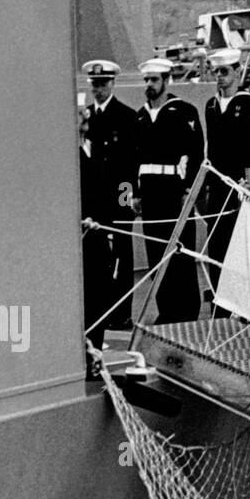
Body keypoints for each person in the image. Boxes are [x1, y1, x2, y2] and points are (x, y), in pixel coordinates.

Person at [134, 57, 204, 323]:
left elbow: (196, 154)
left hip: (175, 192)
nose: (149, 85)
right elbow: (130, 161)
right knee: (156, 253)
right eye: (146, 80)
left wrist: (190, 191)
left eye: (154, 80)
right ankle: (166, 310)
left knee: (180, 252)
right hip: (149, 194)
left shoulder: (184, 112)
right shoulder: (139, 117)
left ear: (167, 80)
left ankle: (187, 312)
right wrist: (131, 196)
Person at [201, 47, 250, 291]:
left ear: (237, 71)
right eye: (216, 72)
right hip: (218, 184)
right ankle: (220, 293)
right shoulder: (211, 106)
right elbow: (211, 148)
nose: (219, 76)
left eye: (224, 71)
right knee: (217, 241)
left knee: (243, 242)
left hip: (243, 183)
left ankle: (245, 294)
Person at [80, 60, 138, 345]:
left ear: (112, 84)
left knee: (122, 257)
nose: (98, 89)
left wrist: (126, 202)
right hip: (95, 204)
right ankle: (102, 311)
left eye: (103, 84)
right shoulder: (86, 118)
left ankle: (122, 312)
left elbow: (130, 165)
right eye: (95, 84)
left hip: (117, 200)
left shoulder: (126, 116)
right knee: (99, 261)